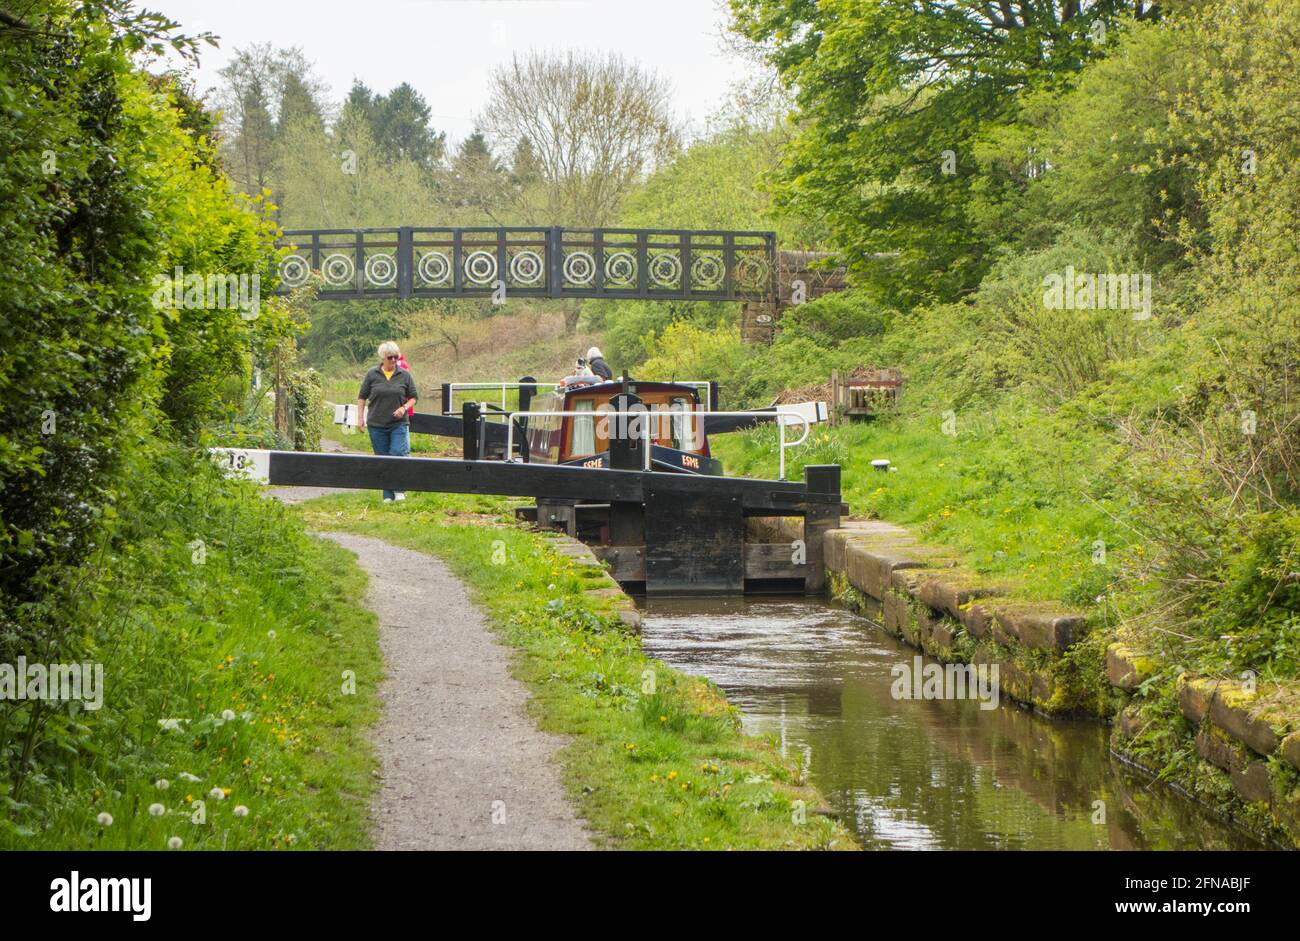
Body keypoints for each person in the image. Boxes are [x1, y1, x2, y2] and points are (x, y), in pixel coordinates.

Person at [357, 341, 418, 503]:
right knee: (383, 459)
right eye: (390, 357)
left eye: (395, 357)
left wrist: (404, 408)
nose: (393, 360)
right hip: (377, 424)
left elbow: (413, 397)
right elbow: (362, 397)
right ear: (382, 358)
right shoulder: (372, 374)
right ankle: (388, 495)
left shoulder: (404, 375)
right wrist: (360, 418)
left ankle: (400, 491)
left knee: (398, 454)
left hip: (398, 423)